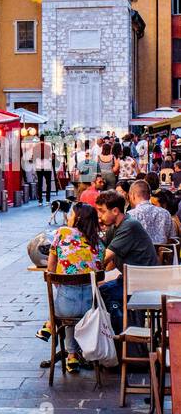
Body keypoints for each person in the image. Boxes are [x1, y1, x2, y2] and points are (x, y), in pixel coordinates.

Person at [45, 203, 103, 373]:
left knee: (66, 304)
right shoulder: (99, 242)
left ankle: (50, 325)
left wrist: (59, 281)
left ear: (77, 218)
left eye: (70, 215)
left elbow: (51, 267)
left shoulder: (63, 233)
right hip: (90, 310)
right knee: (75, 299)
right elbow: (101, 272)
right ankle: (72, 356)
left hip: (64, 309)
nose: (68, 217)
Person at [95, 191, 158, 334]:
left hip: (142, 283)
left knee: (101, 292)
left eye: (102, 211)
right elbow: (102, 255)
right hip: (129, 279)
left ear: (115, 211)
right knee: (99, 290)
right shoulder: (114, 227)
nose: (99, 216)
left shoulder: (129, 226)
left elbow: (105, 257)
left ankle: (122, 336)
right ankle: (118, 336)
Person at [127, 179, 174, 246]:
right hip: (161, 254)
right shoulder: (165, 213)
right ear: (149, 195)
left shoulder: (130, 215)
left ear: (132, 196)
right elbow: (172, 239)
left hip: (139, 255)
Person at [32, 135, 56, 205]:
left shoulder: (35, 147)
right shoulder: (48, 147)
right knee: (48, 184)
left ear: (39, 139)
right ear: (45, 139)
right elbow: (51, 157)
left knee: (40, 184)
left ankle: (40, 201)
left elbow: (33, 158)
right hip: (47, 166)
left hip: (39, 167)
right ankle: (48, 200)